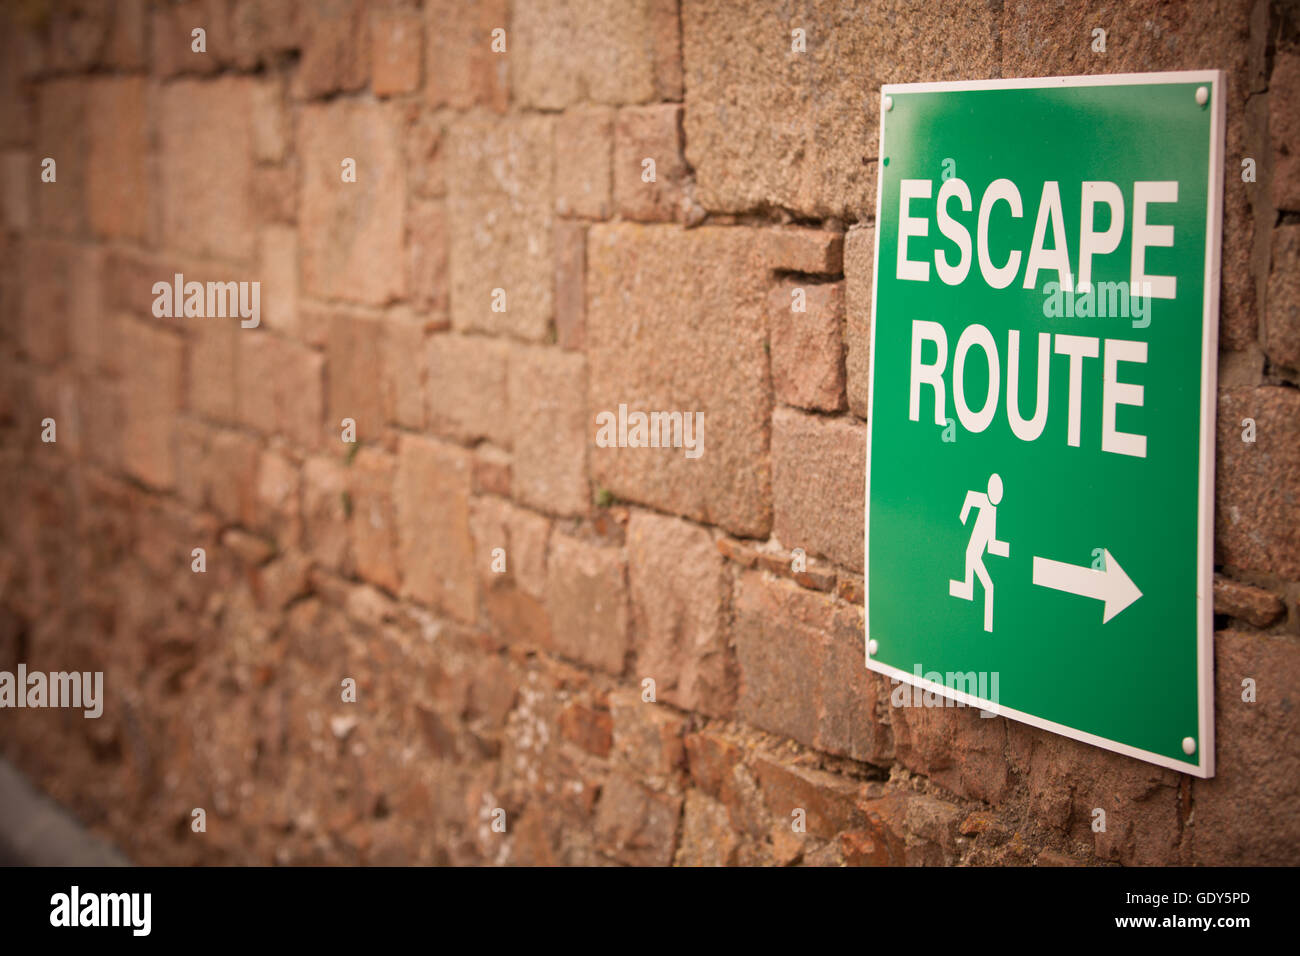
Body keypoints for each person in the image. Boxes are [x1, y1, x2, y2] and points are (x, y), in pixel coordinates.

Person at [949, 473, 1010, 632]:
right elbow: (971, 498)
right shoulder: (984, 502)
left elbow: (991, 542)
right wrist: (963, 516)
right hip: (973, 553)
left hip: (974, 554)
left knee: (985, 585)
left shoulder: (992, 511)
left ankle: (965, 589)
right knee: (988, 586)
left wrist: (1003, 548)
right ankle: (965, 590)